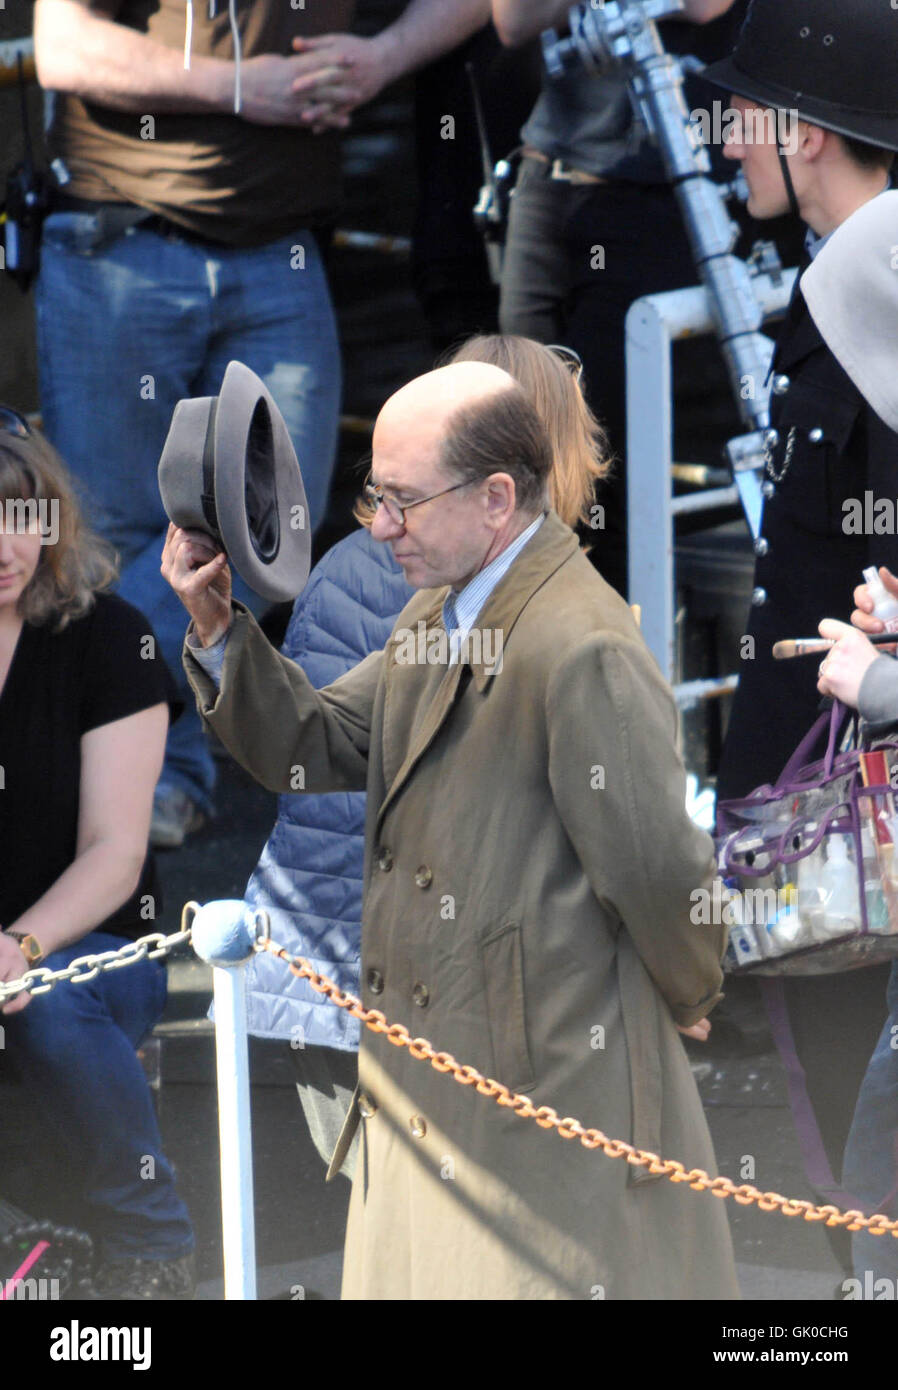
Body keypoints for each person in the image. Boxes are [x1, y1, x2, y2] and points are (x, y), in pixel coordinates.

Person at [165, 359, 738, 1300]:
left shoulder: (579, 641)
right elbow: (320, 741)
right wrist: (217, 624)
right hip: (445, 1090)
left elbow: (656, 870)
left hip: (538, 1105)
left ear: (497, 499)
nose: (379, 526)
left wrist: (689, 986)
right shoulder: (445, 602)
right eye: (373, 497)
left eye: (402, 502)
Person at [32, 0, 493, 847]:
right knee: (112, 538)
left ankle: (69, 727)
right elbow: (60, 46)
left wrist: (386, 55)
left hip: (281, 250)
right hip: (120, 236)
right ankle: (132, 782)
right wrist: (244, 87)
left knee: (270, 534)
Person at [241, 336, 609, 1181]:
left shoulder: (503, 580)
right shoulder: (398, 582)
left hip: (416, 985)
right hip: (370, 990)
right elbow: (335, 782)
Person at [703, 0, 898, 1264]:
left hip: (867, 802)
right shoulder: (835, 285)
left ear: (804, 131)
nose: (724, 144)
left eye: (741, 116)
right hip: (813, 801)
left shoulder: (872, 288)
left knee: (863, 1165)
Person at [0, 416, 195, 1300]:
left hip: (93, 946)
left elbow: (116, 854)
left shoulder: (109, 637)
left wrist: (16, 949)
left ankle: (149, 1241)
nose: (9, 546)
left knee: (46, 1001)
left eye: (21, 516)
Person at [492, 0, 744, 596]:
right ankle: (518, 653)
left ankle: (609, 661)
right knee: (513, 431)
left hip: (656, 191)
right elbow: (512, 20)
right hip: (548, 175)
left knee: (605, 458)